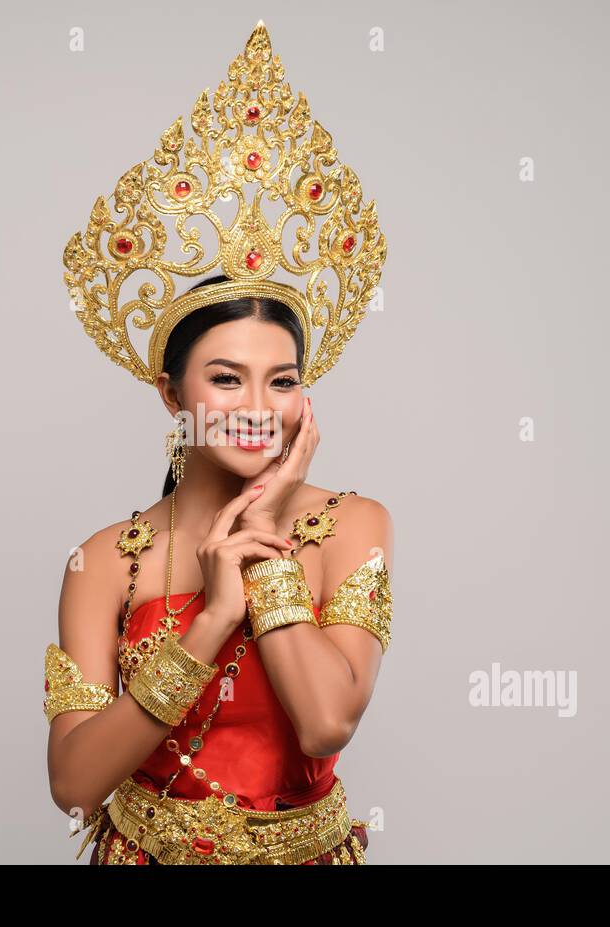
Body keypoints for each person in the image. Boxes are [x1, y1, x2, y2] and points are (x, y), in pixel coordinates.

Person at [45, 21, 393, 865]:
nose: (257, 407)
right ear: (171, 392)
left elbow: (326, 720)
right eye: (226, 378)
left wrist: (266, 545)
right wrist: (211, 621)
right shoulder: (104, 561)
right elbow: (75, 783)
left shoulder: (352, 528)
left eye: (282, 380)